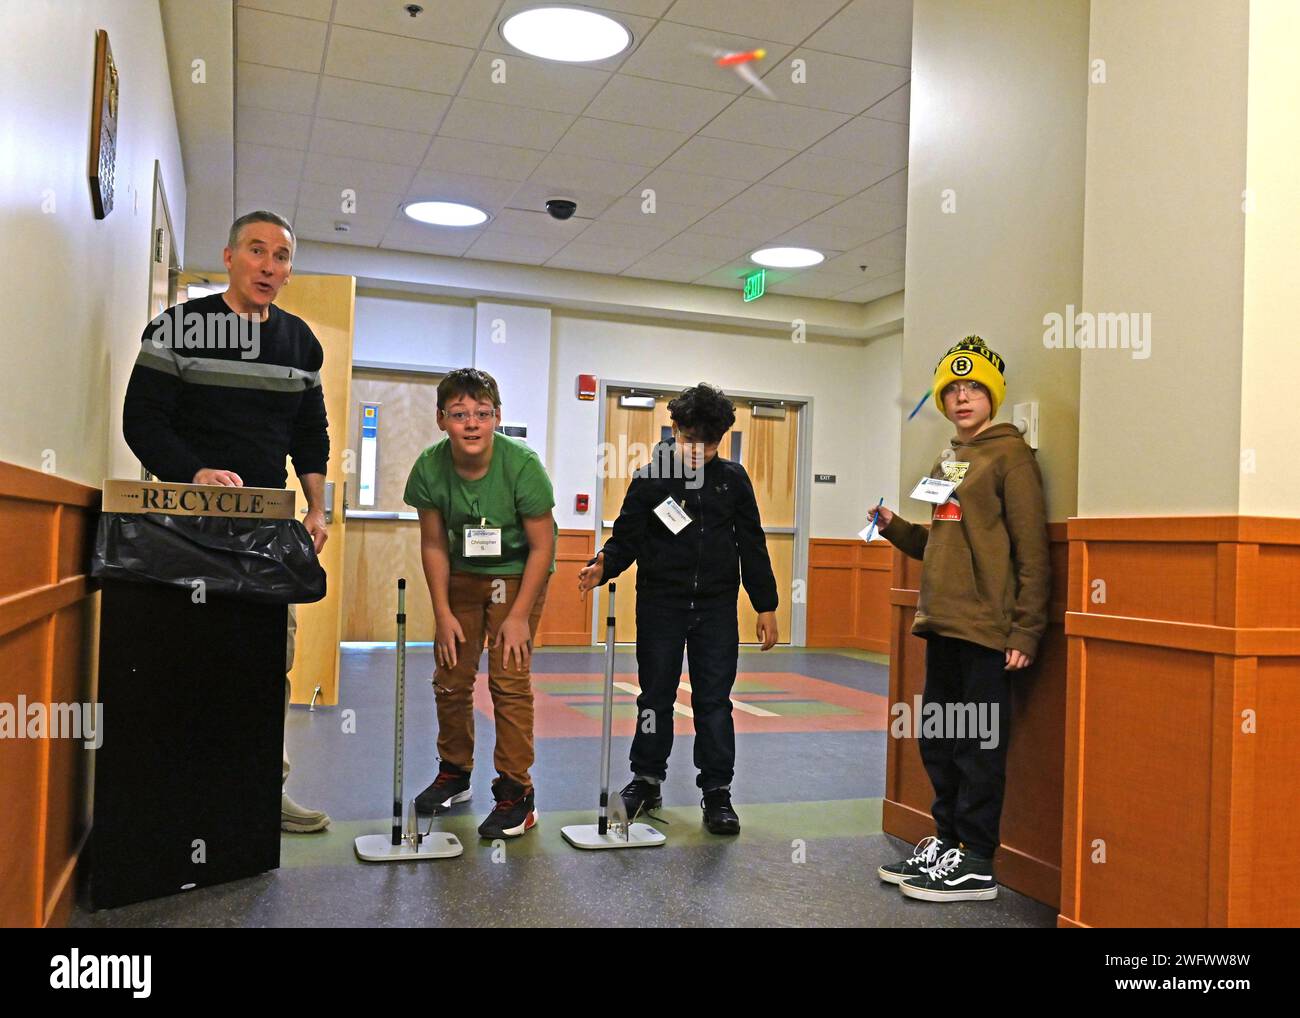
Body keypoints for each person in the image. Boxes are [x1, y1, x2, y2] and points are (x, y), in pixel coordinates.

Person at [122, 210, 332, 834]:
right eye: (258, 251)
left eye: (283, 256)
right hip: (188, 526)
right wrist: (195, 474)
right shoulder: (178, 328)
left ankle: (263, 785)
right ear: (231, 256)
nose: (270, 266)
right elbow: (143, 420)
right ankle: (185, 793)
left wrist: (317, 506)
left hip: (267, 528)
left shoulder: (300, 344)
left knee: (268, 659)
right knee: (191, 654)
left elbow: (310, 434)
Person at [871, 335, 1049, 901]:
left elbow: (1032, 549)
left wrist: (1026, 628)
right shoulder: (949, 460)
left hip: (986, 627)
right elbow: (942, 542)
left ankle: (975, 859)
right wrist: (897, 527)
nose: (963, 397)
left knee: (978, 745)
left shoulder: (1010, 457)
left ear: (992, 397)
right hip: (941, 622)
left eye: (974, 388)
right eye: (953, 389)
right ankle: (948, 840)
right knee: (938, 740)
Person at [578, 383, 779, 835]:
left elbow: (752, 544)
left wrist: (765, 605)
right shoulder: (650, 478)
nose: (697, 450)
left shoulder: (733, 479)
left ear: (721, 439)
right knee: (655, 698)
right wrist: (604, 566)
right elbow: (626, 538)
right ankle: (646, 780)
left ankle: (717, 793)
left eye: (708, 443)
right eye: (689, 440)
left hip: (716, 609)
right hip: (660, 605)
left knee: (713, 702)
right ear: (674, 430)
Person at [403, 368, 556, 839]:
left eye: (482, 414)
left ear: (497, 418)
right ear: (441, 420)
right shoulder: (430, 467)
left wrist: (517, 617)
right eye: (460, 414)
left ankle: (516, 793)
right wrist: (443, 614)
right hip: (463, 574)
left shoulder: (522, 465)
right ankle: (455, 772)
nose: (472, 423)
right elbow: (432, 544)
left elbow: (543, 545)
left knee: (509, 680)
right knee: (450, 674)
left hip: (516, 573)